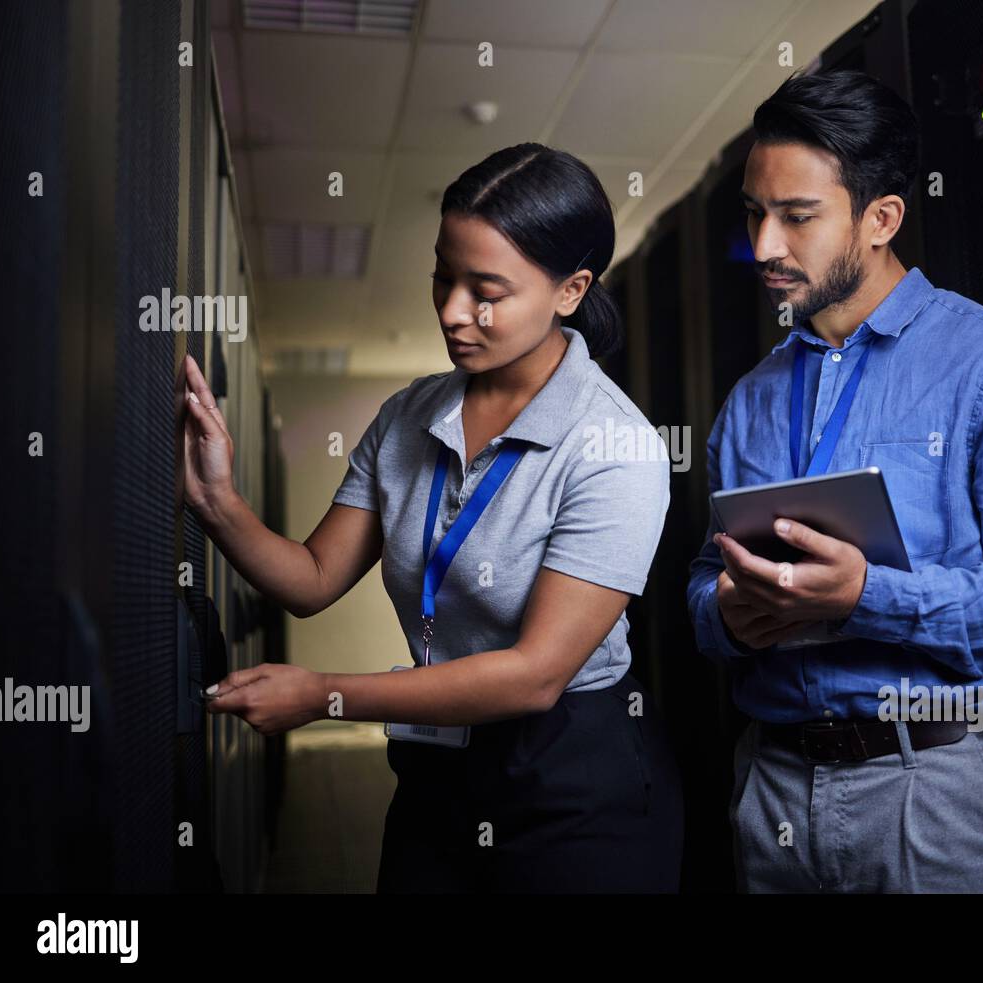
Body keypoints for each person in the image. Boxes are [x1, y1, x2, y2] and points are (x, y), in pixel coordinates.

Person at [183, 143, 683, 893]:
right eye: (442, 277)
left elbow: (535, 674)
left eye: (485, 289)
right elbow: (314, 577)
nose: (453, 310)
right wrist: (218, 502)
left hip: (571, 780)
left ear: (570, 290)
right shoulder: (411, 413)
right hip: (436, 768)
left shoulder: (615, 445)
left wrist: (325, 693)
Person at [687, 70, 983, 893]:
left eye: (797, 216)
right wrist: (734, 613)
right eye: (754, 212)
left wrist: (866, 596)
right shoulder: (749, 401)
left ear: (882, 218)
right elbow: (704, 593)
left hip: (936, 791)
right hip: (771, 787)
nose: (765, 245)